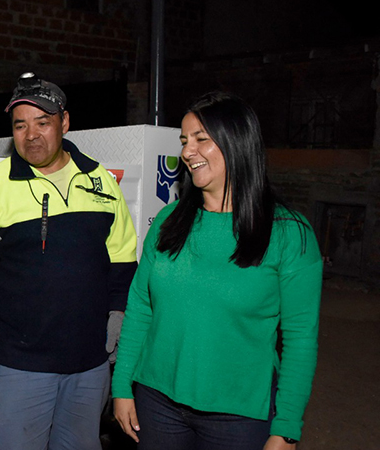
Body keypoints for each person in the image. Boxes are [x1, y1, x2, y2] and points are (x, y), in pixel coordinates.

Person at [111, 92, 322, 450]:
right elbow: (140, 309)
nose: (187, 151)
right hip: (156, 402)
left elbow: (301, 339)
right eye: (184, 141)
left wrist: (286, 427)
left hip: (239, 416)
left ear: (237, 143)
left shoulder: (289, 234)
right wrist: (121, 387)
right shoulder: (168, 220)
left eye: (201, 140)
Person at [0, 72, 139, 450]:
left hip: (89, 364)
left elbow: (121, 259)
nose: (31, 134)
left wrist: (117, 317)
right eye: (20, 125)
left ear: (65, 123)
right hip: (20, 368)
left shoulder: (99, 179)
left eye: (42, 122)